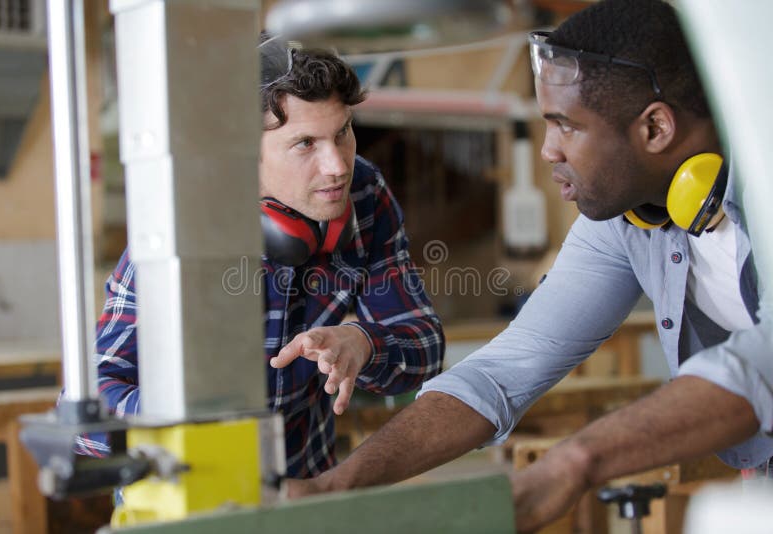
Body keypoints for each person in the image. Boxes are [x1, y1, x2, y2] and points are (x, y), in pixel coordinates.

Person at [286, 0, 772, 530]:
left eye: (565, 126)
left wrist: (573, 463)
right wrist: (339, 484)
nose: (547, 151)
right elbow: (506, 369)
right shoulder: (624, 220)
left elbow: (762, 361)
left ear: (655, 128)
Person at [76, 38, 445, 479]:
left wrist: (364, 343)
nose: (338, 166)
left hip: (304, 496)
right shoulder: (182, 222)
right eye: (305, 143)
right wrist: (173, 417)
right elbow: (84, 408)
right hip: (186, 500)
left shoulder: (362, 193)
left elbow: (425, 345)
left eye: (342, 132)